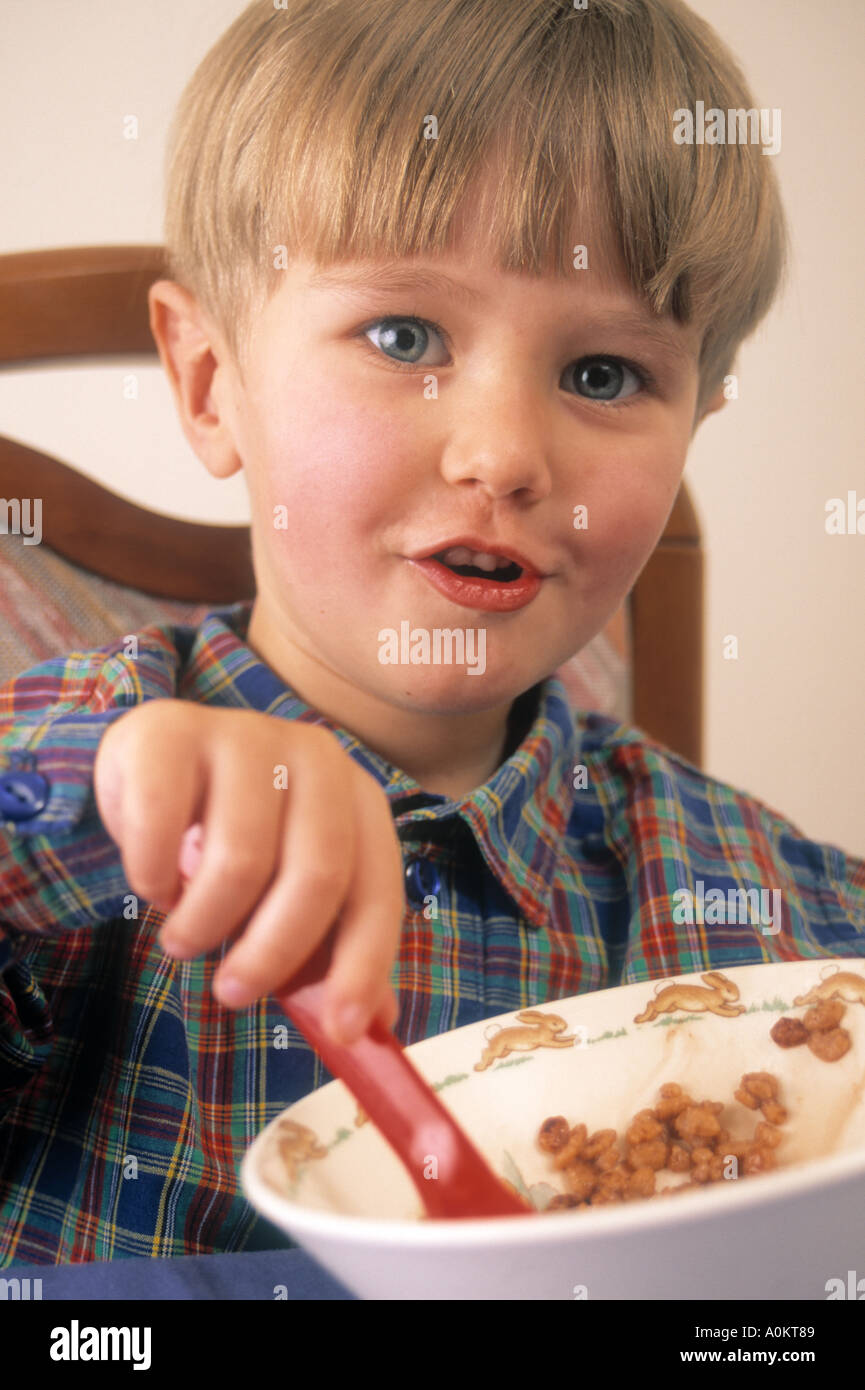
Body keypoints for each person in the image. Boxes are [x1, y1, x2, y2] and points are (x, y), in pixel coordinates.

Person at [1, 0, 862, 1266]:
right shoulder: (69, 813)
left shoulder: (780, 919)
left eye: (605, 376)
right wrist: (112, 784)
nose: (505, 456)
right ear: (205, 382)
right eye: (403, 337)